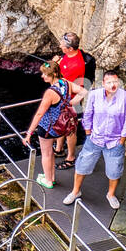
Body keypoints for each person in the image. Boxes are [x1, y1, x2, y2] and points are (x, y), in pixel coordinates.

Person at [63, 70, 126, 209]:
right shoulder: (95, 95)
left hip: (114, 141)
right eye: (109, 82)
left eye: (115, 81)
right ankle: (75, 191)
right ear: (103, 83)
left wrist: (122, 141)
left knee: (114, 170)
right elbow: (88, 114)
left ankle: (111, 194)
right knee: (82, 165)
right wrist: (88, 133)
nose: (112, 85)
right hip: (95, 138)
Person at [21, 59, 75, 189]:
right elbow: (83, 92)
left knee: (46, 154)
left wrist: (28, 134)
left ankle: (48, 181)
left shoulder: (50, 93)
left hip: (47, 127)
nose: (42, 76)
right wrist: (70, 104)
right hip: (60, 126)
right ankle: (51, 177)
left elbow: (39, 114)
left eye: (46, 74)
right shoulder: (66, 83)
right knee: (51, 152)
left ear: (54, 74)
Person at [53, 34, 86, 169]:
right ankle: (59, 149)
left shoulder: (76, 65)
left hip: (71, 100)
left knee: (70, 130)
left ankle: (71, 157)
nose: (60, 46)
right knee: (61, 124)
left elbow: (61, 81)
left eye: (63, 45)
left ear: (70, 48)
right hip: (63, 97)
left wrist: (54, 64)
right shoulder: (69, 55)